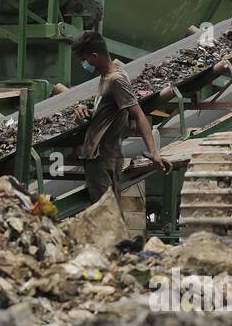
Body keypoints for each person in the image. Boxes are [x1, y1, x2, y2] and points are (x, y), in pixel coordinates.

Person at [71, 31, 171, 205]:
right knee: (110, 213)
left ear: (94, 56)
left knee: (106, 215)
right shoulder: (107, 77)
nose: (84, 64)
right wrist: (84, 110)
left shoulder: (116, 80)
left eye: (84, 60)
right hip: (102, 157)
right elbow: (107, 112)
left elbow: (138, 115)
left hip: (102, 157)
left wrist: (154, 152)